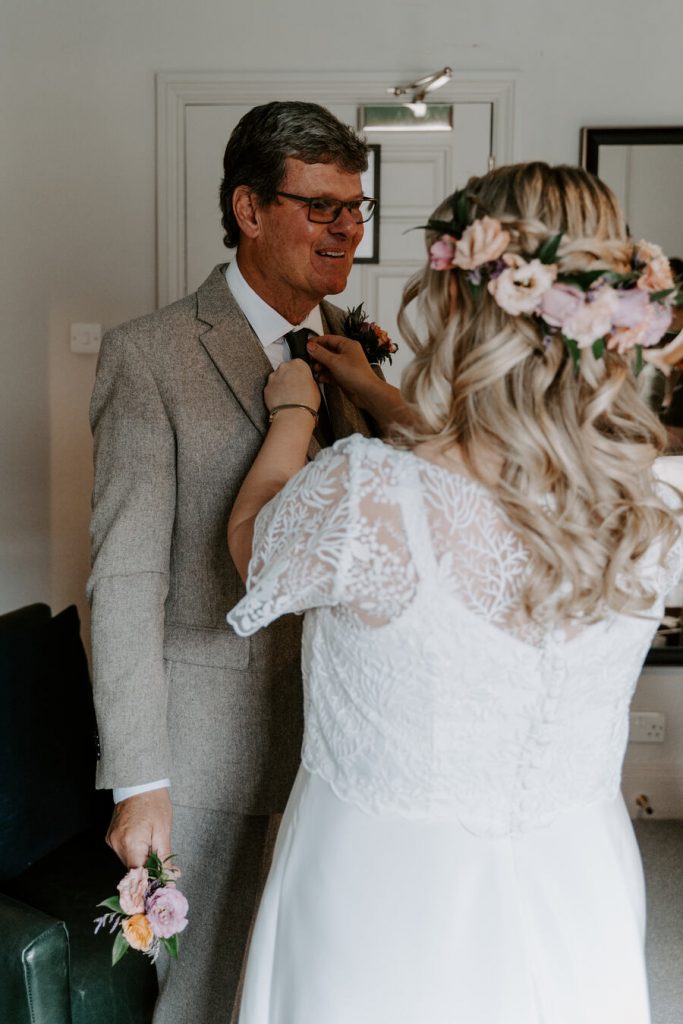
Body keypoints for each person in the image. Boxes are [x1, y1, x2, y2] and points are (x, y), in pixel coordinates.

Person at [226, 162, 683, 1024]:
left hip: (380, 897)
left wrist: (293, 417)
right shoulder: (650, 502)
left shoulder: (366, 496)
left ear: (459, 308)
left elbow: (253, 548)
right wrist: (372, 392)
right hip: (577, 880)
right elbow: (494, 472)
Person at [88, 100, 381, 1024]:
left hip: (353, 741)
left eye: (355, 207)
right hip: (212, 746)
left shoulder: (357, 353)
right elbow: (126, 576)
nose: (346, 229)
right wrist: (141, 779)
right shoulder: (151, 355)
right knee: (210, 998)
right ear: (249, 210)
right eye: (320, 206)